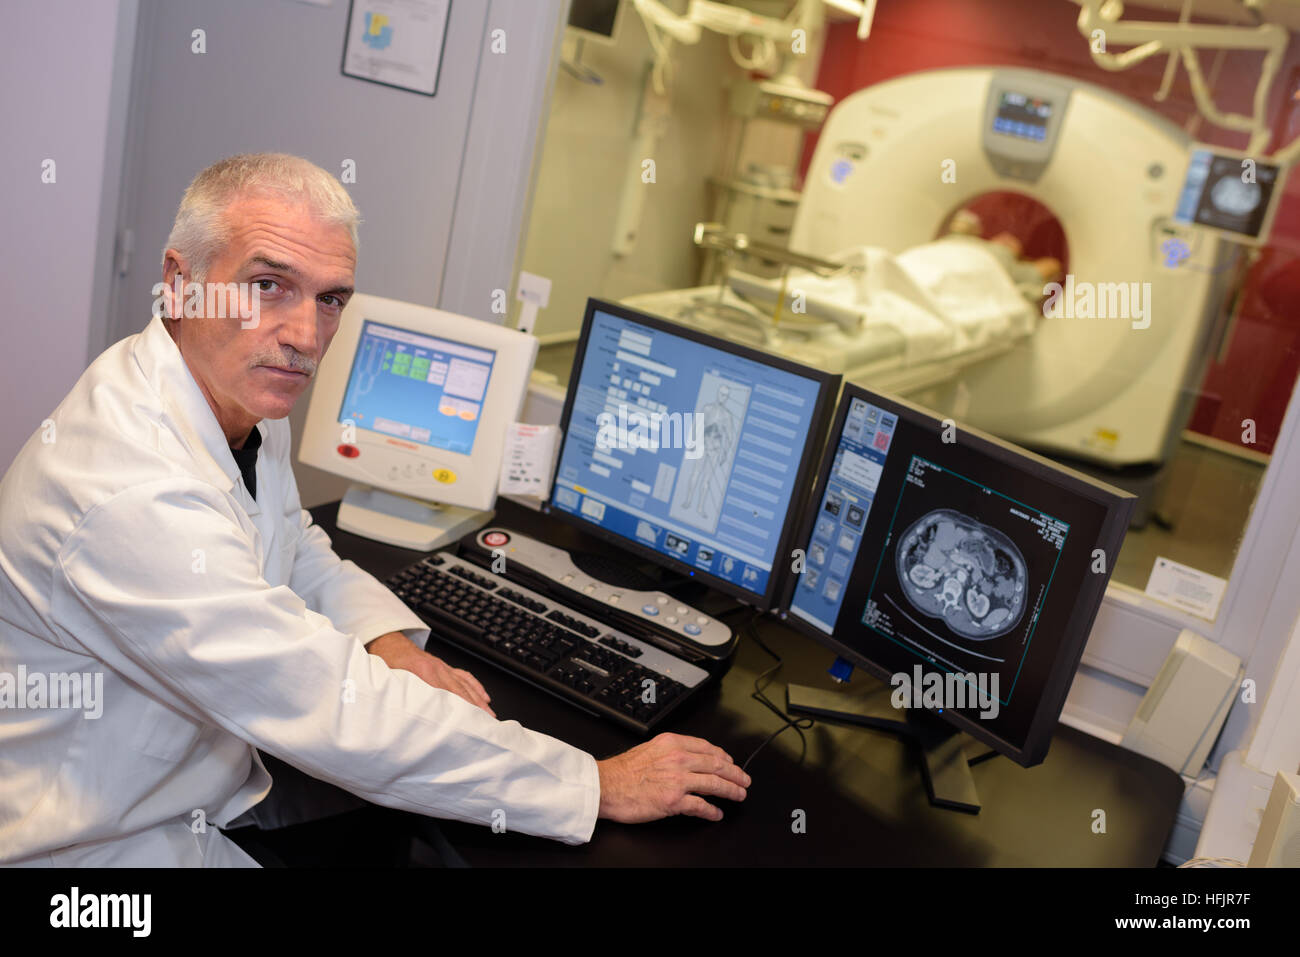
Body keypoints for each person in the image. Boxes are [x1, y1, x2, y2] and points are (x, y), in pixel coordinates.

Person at [0, 153, 749, 867]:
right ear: (179, 280)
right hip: (87, 842)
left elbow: (288, 539)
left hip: (187, 778)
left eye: (329, 299)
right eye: (268, 284)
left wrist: (387, 640)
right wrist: (592, 783)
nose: (304, 337)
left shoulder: (233, 393)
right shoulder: (131, 488)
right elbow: (335, 708)